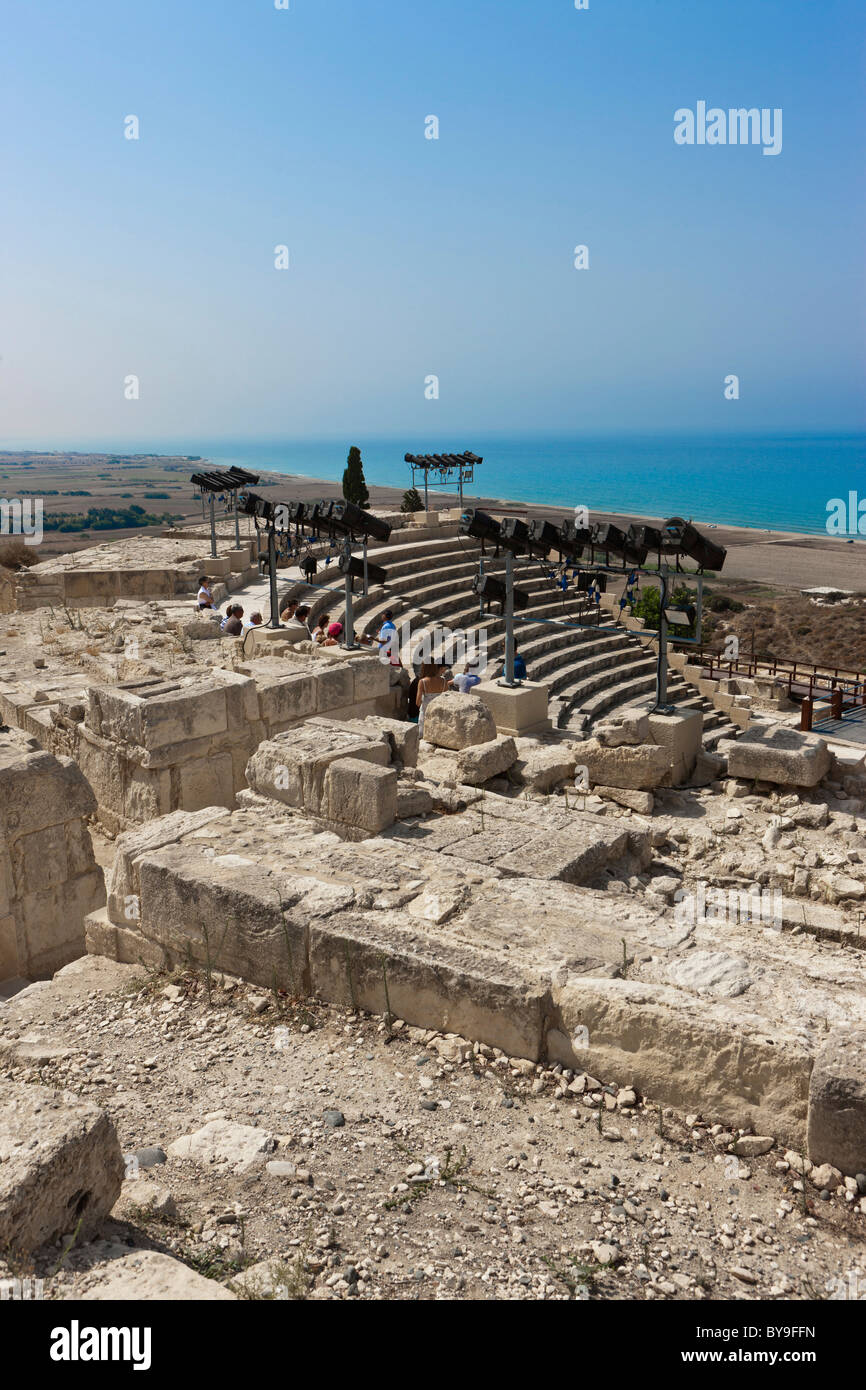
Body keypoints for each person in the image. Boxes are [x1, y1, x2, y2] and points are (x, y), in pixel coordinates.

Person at [416, 663, 448, 736]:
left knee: (423, 735)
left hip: (426, 711)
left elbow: (418, 702)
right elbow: (447, 698)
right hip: (439, 710)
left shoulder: (422, 681)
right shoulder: (443, 680)